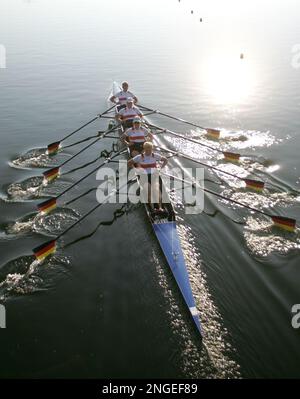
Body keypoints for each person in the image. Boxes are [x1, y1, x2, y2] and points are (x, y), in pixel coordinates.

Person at [128, 142, 168, 211]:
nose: (148, 151)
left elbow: (165, 160)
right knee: (148, 191)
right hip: (144, 177)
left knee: (156, 190)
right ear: (144, 149)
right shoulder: (139, 157)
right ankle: (152, 209)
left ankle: (160, 207)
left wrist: (160, 168)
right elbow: (129, 163)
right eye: (147, 150)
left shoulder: (155, 155)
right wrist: (136, 170)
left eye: (150, 150)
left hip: (154, 176)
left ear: (152, 149)